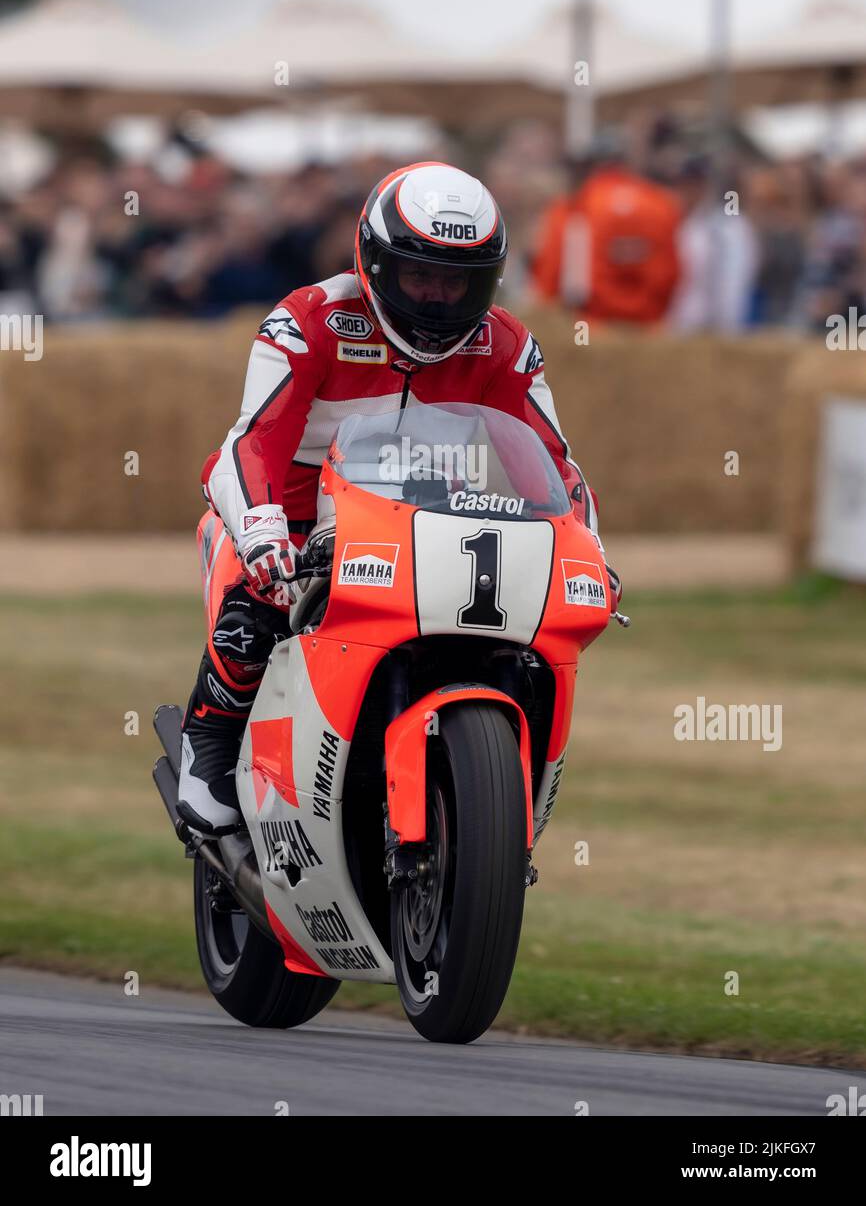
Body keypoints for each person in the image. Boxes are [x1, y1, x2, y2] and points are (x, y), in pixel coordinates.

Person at [177, 161, 620, 835]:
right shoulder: (309, 321)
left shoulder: (506, 345)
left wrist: (587, 551)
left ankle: (487, 799)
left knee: (519, 643)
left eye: (458, 281)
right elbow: (252, 444)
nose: (439, 300)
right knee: (258, 606)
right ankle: (209, 735)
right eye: (422, 276)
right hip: (298, 518)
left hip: (436, 521)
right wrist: (265, 534)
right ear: (377, 264)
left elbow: (556, 468)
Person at [531, 137, 681, 324]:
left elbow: (551, 271)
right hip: (650, 326)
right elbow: (675, 271)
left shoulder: (575, 205)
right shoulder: (661, 203)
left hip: (591, 327)